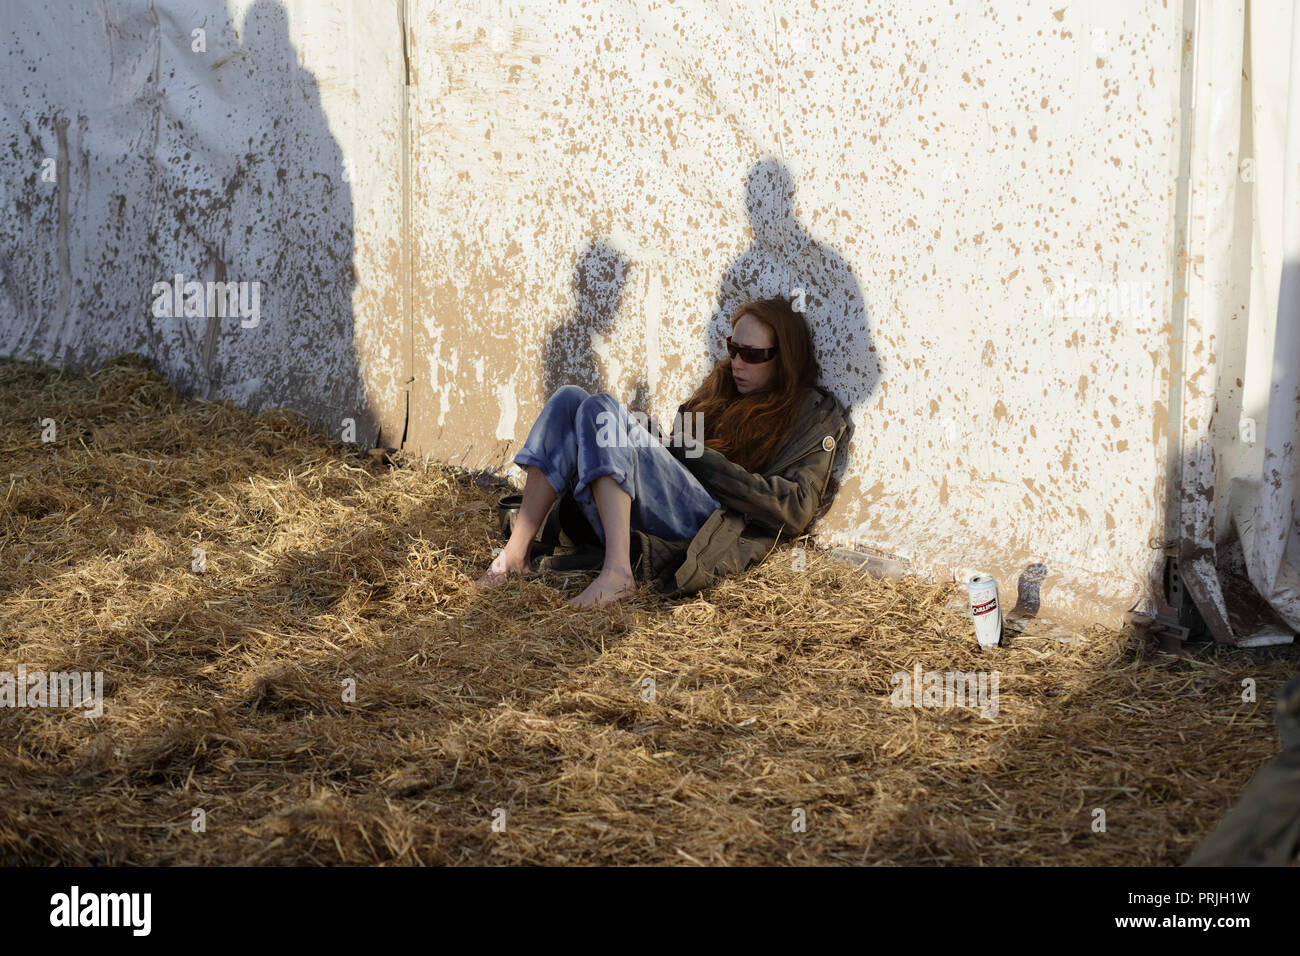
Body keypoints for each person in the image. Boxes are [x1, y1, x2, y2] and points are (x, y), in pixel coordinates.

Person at [477, 296, 848, 607]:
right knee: (570, 398)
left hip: (714, 526)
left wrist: (685, 451)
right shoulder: (720, 392)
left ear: (784, 359)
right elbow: (681, 461)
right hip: (674, 504)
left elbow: (794, 509)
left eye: (752, 355)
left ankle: (618, 573)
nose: (736, 363)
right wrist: (657, 441)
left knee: (601, 408)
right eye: (733, 349)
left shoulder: (810, 415)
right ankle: (515, 553)